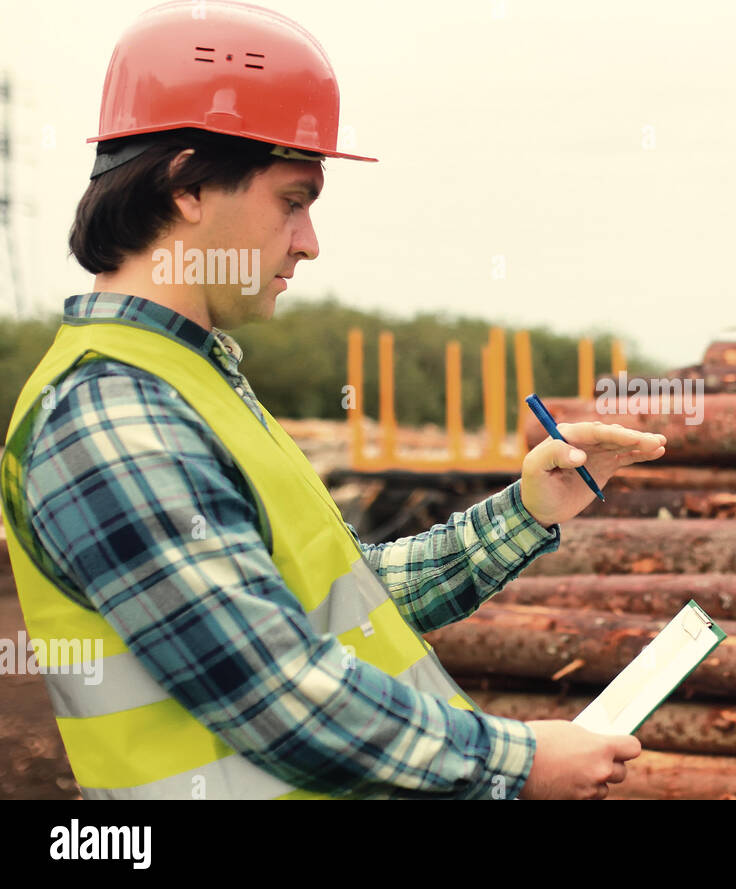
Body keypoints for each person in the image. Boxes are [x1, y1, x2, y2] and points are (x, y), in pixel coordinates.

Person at [0, 0, 666, 799]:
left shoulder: (187, 380)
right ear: (187, 184)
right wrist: (518, 761)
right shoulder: (109, 410)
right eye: (293, 199)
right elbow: (276, 691)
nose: (310, 240)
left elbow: (334, 607)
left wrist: (524, 512)